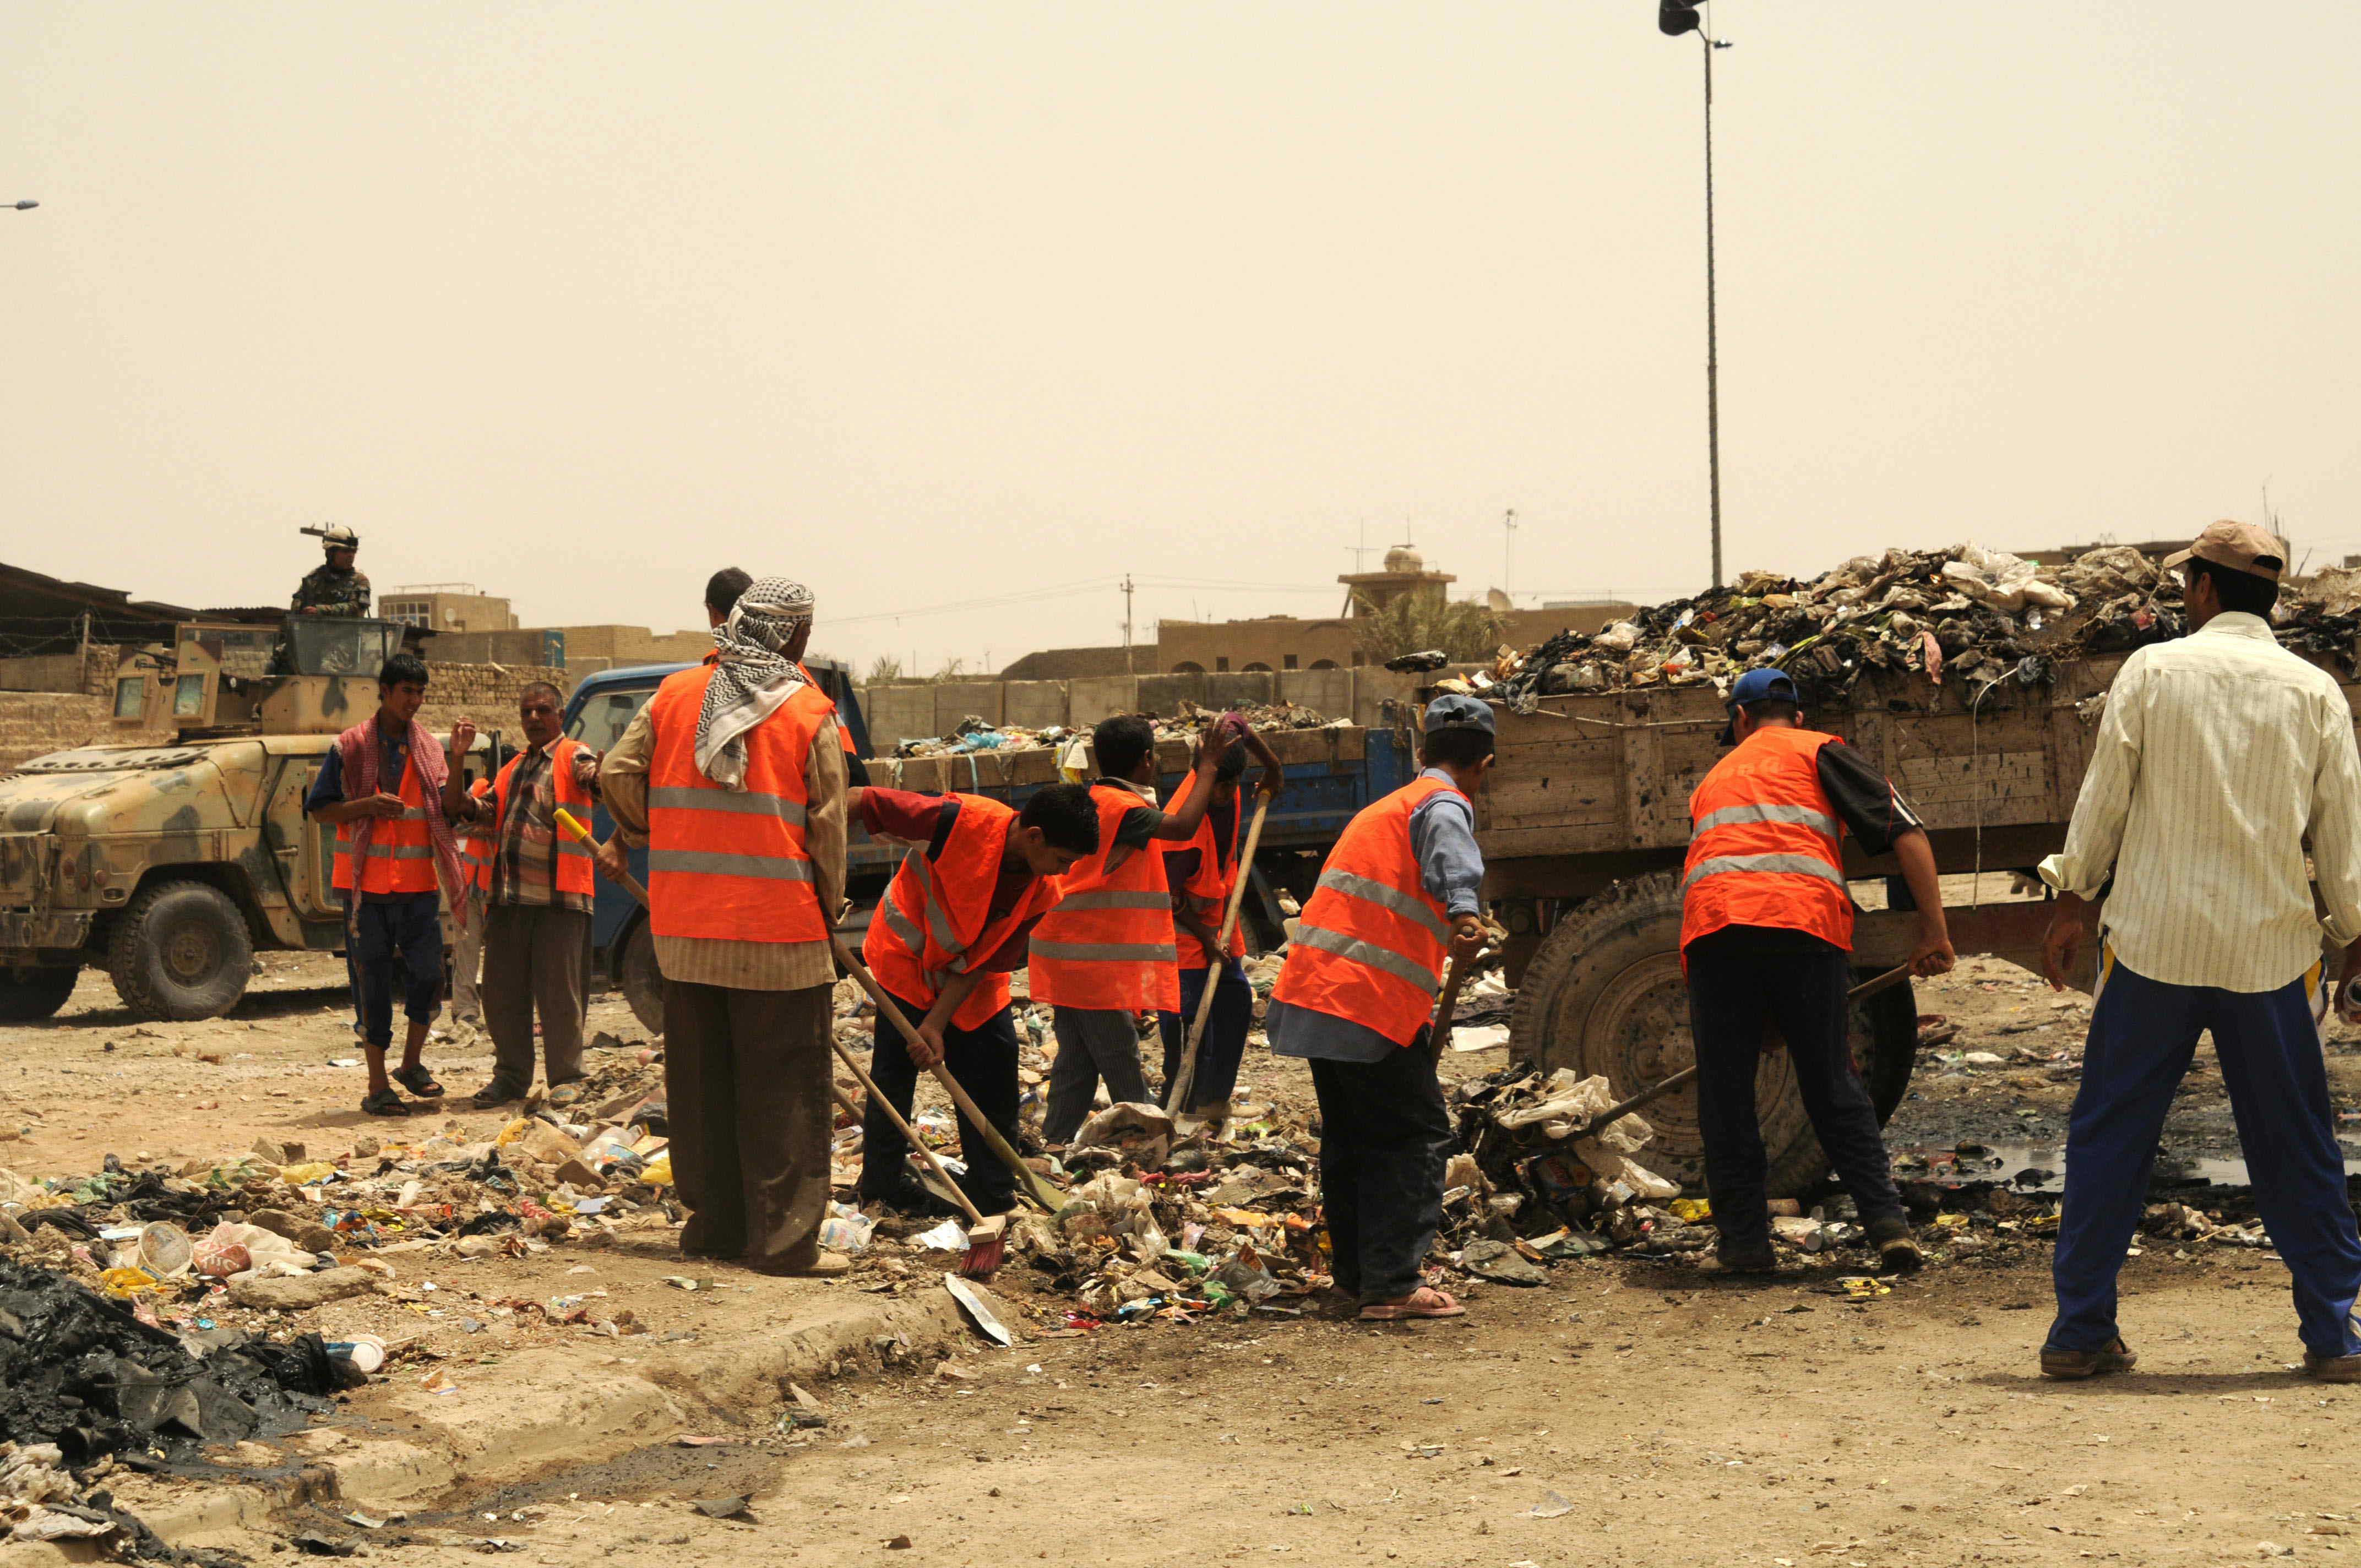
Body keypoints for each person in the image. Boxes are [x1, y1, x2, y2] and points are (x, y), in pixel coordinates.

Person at [2037, 521, 2361, 1384]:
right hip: (2271, 954)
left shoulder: (2153, 672)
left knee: (2111, 1136)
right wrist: (2353, 936)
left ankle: (2080, 1332)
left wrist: (2073, 896)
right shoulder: (2315, 692)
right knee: (2297, 1144)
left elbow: (2105, 798)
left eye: (2187, 584)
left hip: (2151, 947)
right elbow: (2342, 839)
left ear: (2205, 591)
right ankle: (2333, 1335)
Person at [599, 576, 851, 1277]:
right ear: (793, 636)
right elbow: (828, 828)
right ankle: (784, 1243)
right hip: (779, 935)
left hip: (683, 933)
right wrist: (828, 911)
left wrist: (646, 828)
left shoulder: (676, 696)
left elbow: (619, 772)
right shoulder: (807, 710)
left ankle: (714, 1228)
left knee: (704, 1087)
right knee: (786, 1092)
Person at [1680, 667, 1954, 1278]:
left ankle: (1745, 1246)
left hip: (1716, 934)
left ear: (1740, 720)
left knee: (1726, 1095)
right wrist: (1932, 929)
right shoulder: (1820, 749)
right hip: (1802, 927)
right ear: (1797, 716)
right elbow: (1906, 833)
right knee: (1832, 1083)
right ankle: (1887, 1230)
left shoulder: (1712, 779)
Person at [1266, 694, 1493, 1323]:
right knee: (1416, 1135)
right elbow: (1451, 853)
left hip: (1316, 995)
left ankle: (1357, 1278)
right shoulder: (1443, 803)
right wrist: (1466, 910)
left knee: (1351, 1140)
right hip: (1367, 1003)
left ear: (1421, 754)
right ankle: (1392, 1283)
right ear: (1483, 766)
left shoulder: (1382, 807)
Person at [853, 781, 1098, 1214]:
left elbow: (983, 961)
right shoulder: (954, 823)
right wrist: (814, 858)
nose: (1063, 872)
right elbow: (861, 800)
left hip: (972, 983)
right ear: (1034, 835)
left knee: (994, 1076)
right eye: (1062, 860)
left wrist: (936, 1022)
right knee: (893, 1079)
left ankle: (992, 1192)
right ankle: (882, 1185)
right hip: (905, 961)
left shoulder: (1041, 891)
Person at [1031, 714, 1234, 1144]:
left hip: (1066, 952)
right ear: (1146, 760)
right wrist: (1208, 768)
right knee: (1120, 1055)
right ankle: (1153, 1142)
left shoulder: (1097, 797)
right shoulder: (1126, 810)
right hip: (1087, 959)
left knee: (1077, 1063)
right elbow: (1182, 827)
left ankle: (1053, 1143)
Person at [304, 653, 472, 1118]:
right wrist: (366, 805)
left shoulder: (431, 749)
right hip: (365, 892)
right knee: (372, 984)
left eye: (420, 693)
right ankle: (377, 1085)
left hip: (417, 887)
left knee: (431, 975)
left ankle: (411, 1065)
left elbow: (450, 805)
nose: (414, 702)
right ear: (385, 690)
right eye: (407, 692)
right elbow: (320, 809)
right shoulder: (351, 746)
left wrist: (457, 757)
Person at [452, 682, 602, 1109]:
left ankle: (567, 1077)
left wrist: (604, 776)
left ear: (559, 715)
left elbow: (593, 779)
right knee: (502, 997)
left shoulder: (574, 755)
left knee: (560, 995)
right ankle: (511, 1077)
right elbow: (483, 813)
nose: (533, 718)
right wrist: (458, 766)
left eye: (542, 710)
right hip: (509, 900)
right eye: (526, 712)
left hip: (560, 898)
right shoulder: (512, 768)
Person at [1157, 730, 1282, 1121]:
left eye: (1231, 788)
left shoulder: (1228, 788)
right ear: (1202, 776)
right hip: (1185, 942)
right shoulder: (1183, 826)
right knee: (1192, 1034)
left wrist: (1273, 766)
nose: (1224, 795)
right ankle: (1180, 1110)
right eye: (1218, 787)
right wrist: (1207, 936)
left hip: (1220, 932)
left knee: (1235, 1006)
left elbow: (1236, 721)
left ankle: (1214, 1104)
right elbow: (1168, 896)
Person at [447, 773, 496, 1039]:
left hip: (494, 886)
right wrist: (487, 827)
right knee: (466, 952)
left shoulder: (511, 792)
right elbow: (456, 826)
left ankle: (498, 1013)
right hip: (469, 883)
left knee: (500, 956)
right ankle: (466, 1013)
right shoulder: (478, 789)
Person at [291, 525, 372, 619]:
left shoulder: (360, 581)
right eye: (345, 551)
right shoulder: (313, 579)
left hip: (348, 633)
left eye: (353, 551)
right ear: (330, 553)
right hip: (315, 632)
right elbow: (296, 605)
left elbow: (357, 610)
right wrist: (304, 609)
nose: (351, 555)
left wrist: (320, 610)